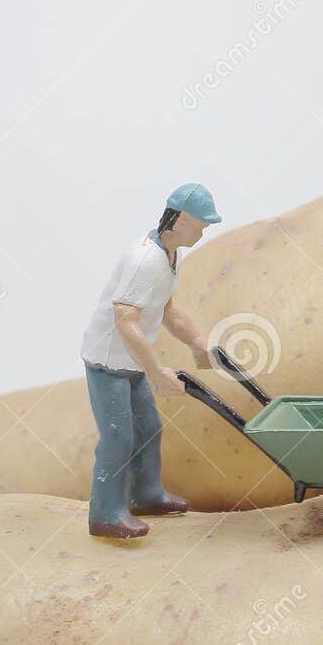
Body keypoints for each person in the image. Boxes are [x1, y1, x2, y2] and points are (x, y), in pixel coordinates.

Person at [78, 183, 221, 538]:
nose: (204, 231)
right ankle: (106, 513)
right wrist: (157, 373)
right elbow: (124, 320)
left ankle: (146, 494)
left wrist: (197, 343)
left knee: (148, 429)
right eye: (201, 224)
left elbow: (168, 312)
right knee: (117, 437)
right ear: (182, 220)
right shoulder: (144, 260)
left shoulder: (171, 256)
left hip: (134, 362)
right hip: (109, 363)